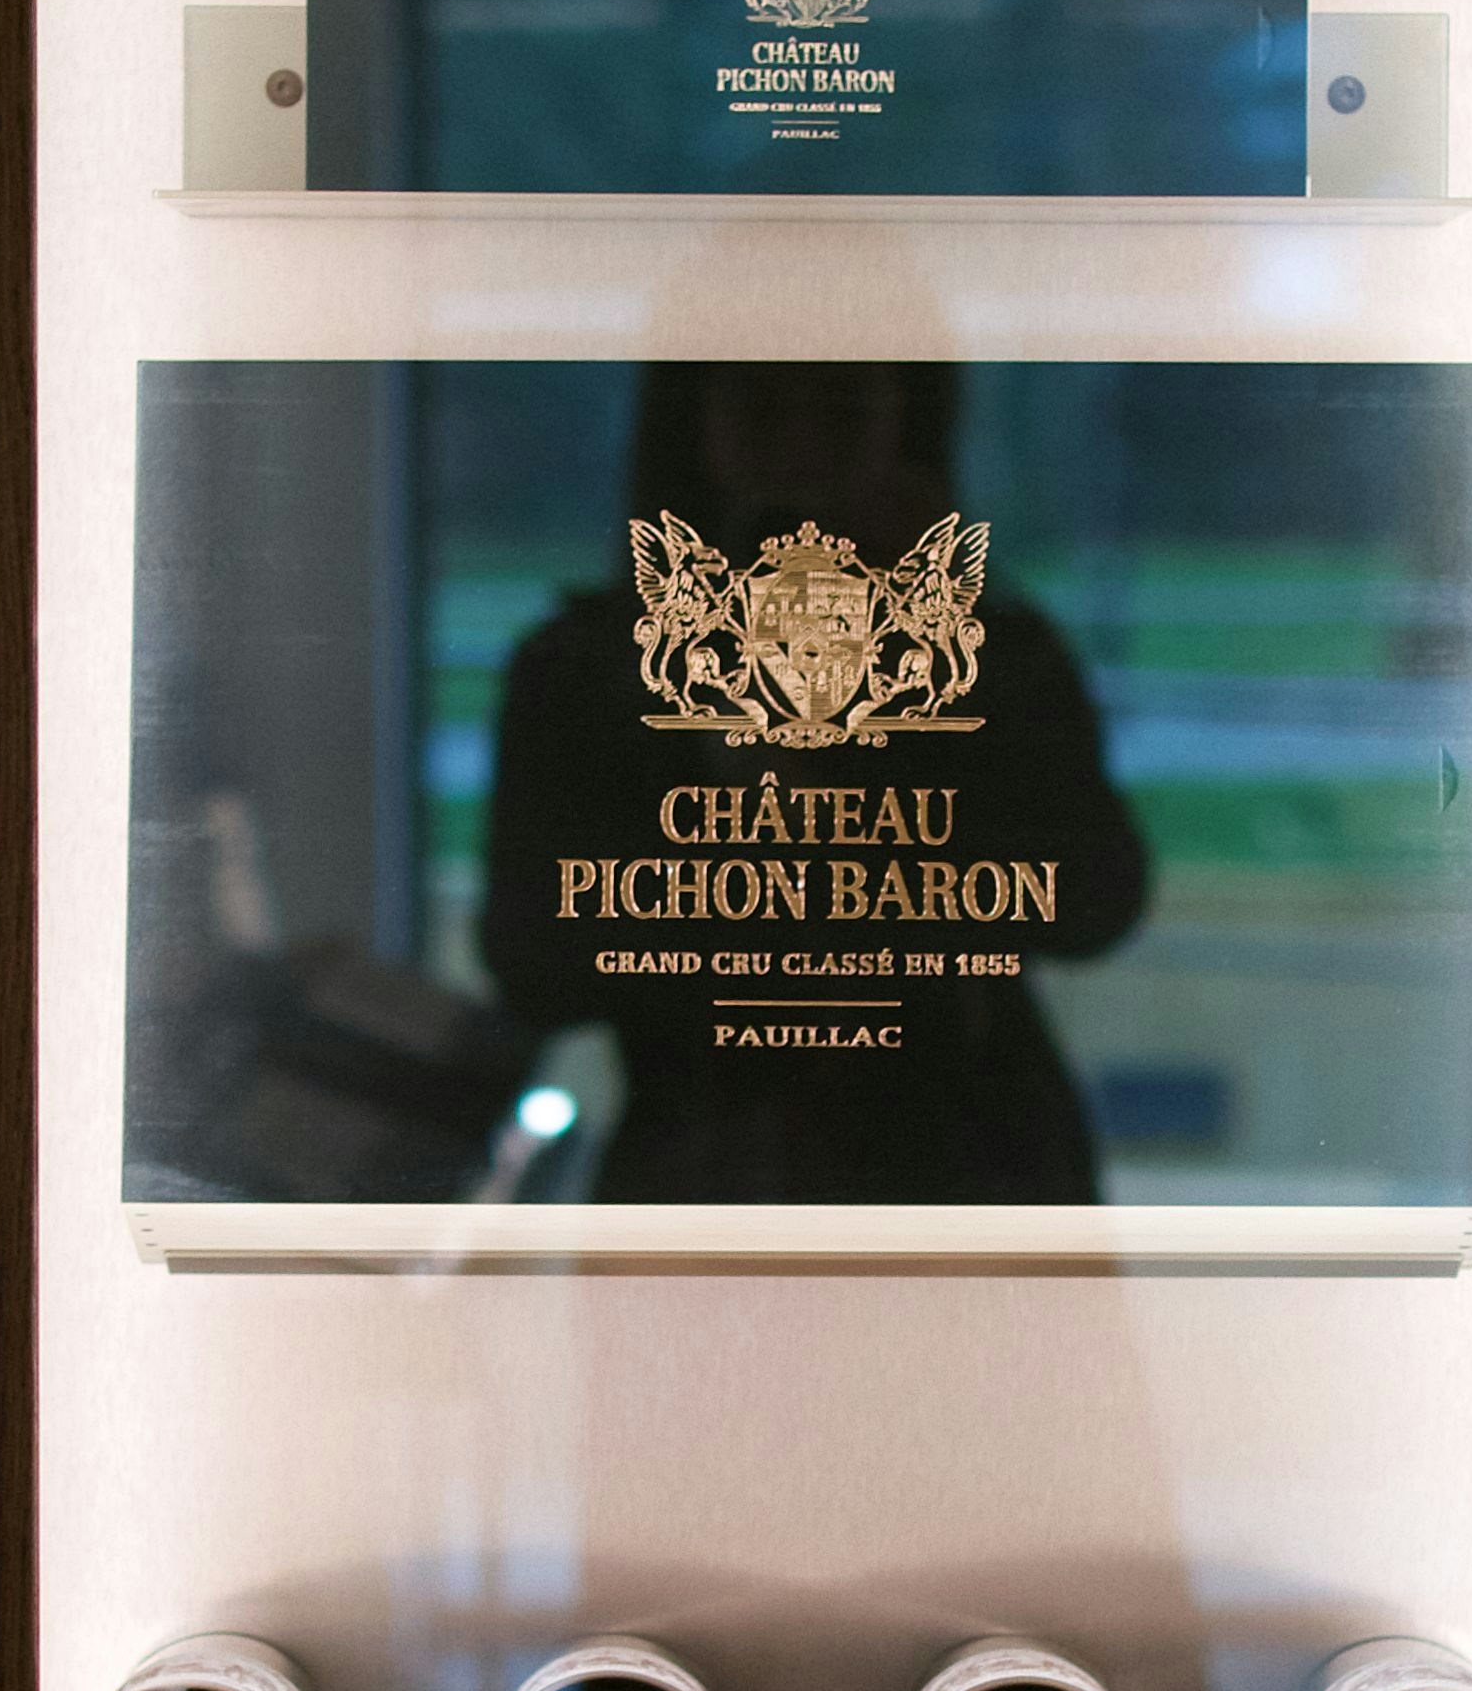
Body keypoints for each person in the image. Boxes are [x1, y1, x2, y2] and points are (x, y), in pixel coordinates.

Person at [475, 361, 1152, 1202]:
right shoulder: (588, 673)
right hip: (721, 1163)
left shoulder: (988, 653)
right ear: (696, 429)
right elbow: (534, 961)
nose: (800, 458)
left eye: (841, 420)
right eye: (762, 414)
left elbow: (1097, 899)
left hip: (959, 1166)